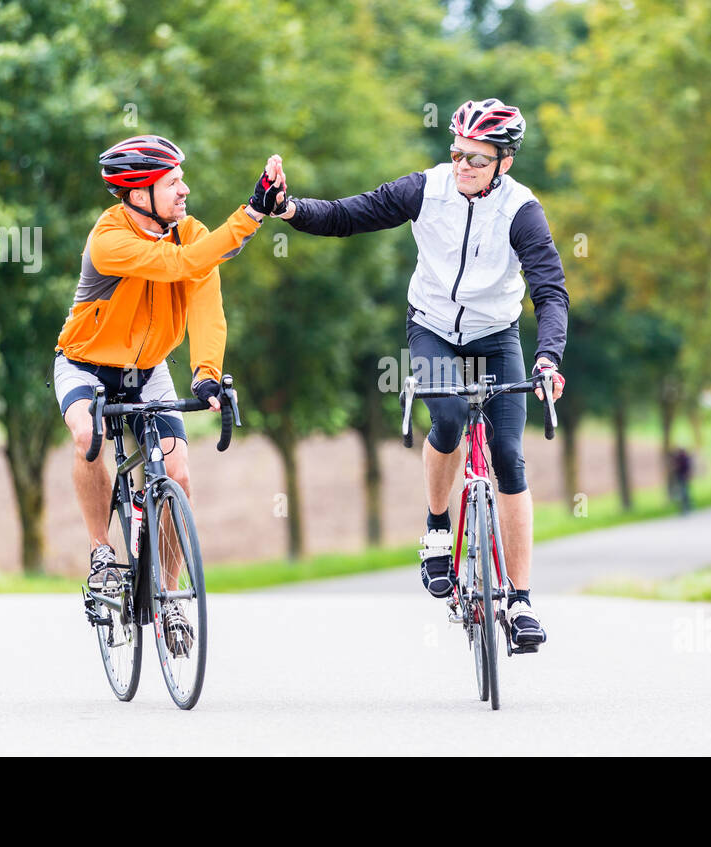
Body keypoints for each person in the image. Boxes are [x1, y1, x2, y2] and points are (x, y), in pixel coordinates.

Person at [272, 99, 569, 651]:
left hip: (496, 335)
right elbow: (346, 216)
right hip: (431, 326)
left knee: (508, 455)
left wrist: (548, 357)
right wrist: (287, 208)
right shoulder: (425, 190)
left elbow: (550, 292)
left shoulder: (522, 211)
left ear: (504, 162)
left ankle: (522, 601)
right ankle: (437, 528)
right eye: (456, 153)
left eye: (477, 160)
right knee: (450, 415)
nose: (462, 166)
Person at [52, 134, 287, 649]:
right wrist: (250, 214)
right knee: (88, 434)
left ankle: (169, 595)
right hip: (85, 365)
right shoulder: (108, 239)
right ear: (139, 195)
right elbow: (177, 266)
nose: (185, 190)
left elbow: (205, 303)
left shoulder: (193, 234)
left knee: (177, 474)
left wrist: (206, 372)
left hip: (149, 369)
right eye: (173, 182)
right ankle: (100, 551)